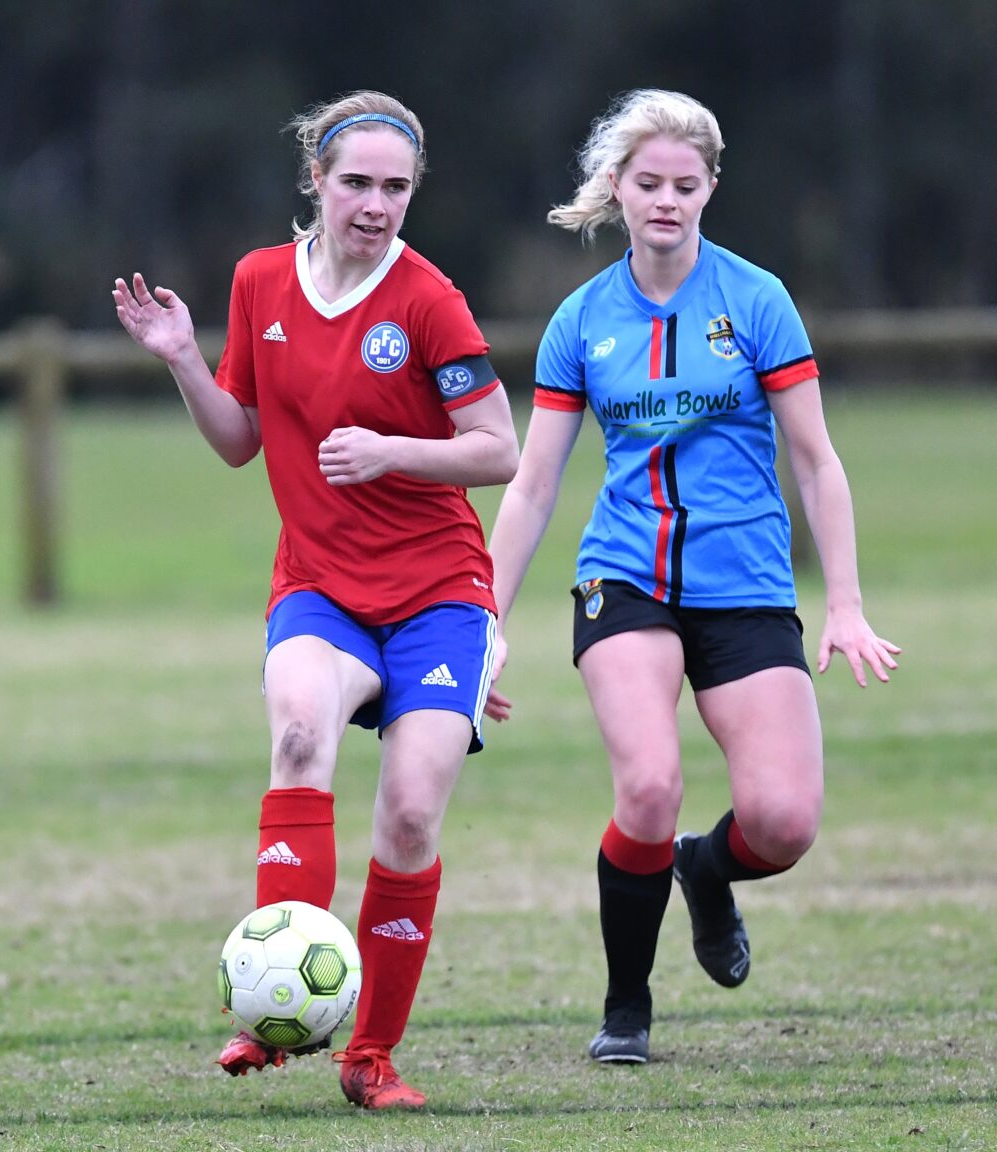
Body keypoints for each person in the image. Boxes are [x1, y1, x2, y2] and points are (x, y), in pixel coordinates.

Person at [111, 91, 518, 1109]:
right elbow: (237, 440)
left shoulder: (428, 301)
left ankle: (369, 1055)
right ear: (316, 181)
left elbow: (498, 450)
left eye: (396, 188)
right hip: (320, 586)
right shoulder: (260, 280)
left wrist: (392, 451)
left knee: (410, 813)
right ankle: (270, 1012)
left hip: (437, 594)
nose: (376, 205)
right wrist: (182, 361)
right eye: (357, 183)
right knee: (298, 738)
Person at [481, 89, 900, 1065]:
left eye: (684, 184)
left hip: (745, 583)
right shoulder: (581, 321)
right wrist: (483, 618)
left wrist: (843, 604)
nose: (666, 201)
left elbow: (816, 462)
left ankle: (703, 874)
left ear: (711, 187)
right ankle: (625, 1007)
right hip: (623, 575)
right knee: (649, 786)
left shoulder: (756, 301)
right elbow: (533, 484)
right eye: (648, 184)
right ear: (617, 188)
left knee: (783, 823)